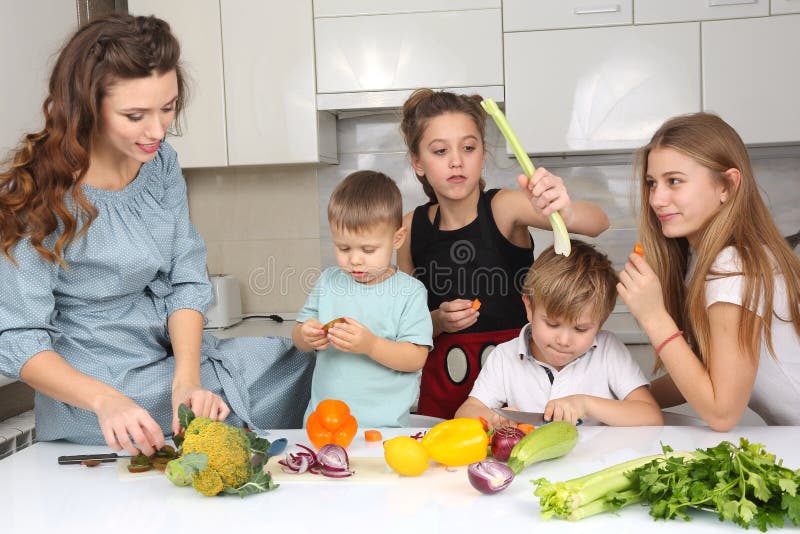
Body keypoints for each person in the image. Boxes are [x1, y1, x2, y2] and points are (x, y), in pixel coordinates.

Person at [0, 14, 314, 456]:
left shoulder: (160, 163)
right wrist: (107, 402)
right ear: (87, 106)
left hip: (168, 361)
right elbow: (19, 340)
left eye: (168, 108)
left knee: (296, 359)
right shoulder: (32, 193)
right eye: (135, 115)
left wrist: (187, 380)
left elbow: (186, 281)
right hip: (97, 388)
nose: (157, 130)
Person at [396, 88, 610, 419]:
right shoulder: (410, 229)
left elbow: (598, 222)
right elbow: (404, 327)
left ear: (483, 155)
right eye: (440, 151)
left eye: (468, 147)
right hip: (442, 386)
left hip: (514, 386)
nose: (456, 161)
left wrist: (562, 208)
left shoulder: (503, 207)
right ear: (418, 163)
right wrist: (435, 321)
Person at [617, 112, 800, 429]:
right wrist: (627, 401)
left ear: (727, 185)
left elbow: (722, 412)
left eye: (674, 181)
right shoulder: (712, 258)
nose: (657, 199)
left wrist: (653, 316)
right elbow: (705, 371)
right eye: (652, 183)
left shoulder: (732, 267)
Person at [455, 241, 662, 427]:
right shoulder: (504, 357)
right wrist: (493, 418)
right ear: (529, 306)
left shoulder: (608, 350)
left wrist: (586, 404)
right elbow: (464, 413)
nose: (564, 341)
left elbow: (651, 416)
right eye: (552, 324)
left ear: (602, 321)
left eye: (580, 329)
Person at [292, 170, 433, 428]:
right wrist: (306, 334)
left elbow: (415, 358)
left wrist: (371, 346)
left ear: (397, 239)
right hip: (323, 425)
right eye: (344, 248)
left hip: (384, 429)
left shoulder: (410, 292)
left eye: (368, 250)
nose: (355, 259)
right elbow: (299, 338)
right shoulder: (328, 281)